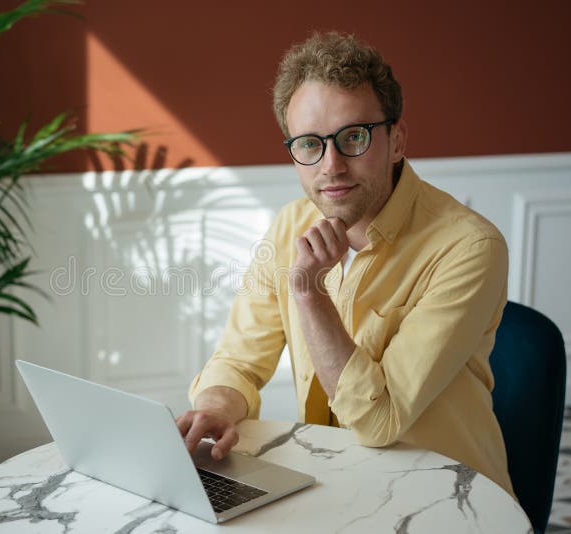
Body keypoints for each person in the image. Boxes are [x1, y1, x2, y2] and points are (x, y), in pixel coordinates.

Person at [176, 31, 514, 496]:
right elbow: (239, 359)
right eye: (310, 144)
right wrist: (216, 406)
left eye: (353, 137)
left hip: (448, 496)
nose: (331, 166)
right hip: (335, 485)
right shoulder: (289, 225)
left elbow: (380, 420)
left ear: (397, 140)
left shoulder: (469, 247)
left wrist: (309, 293)